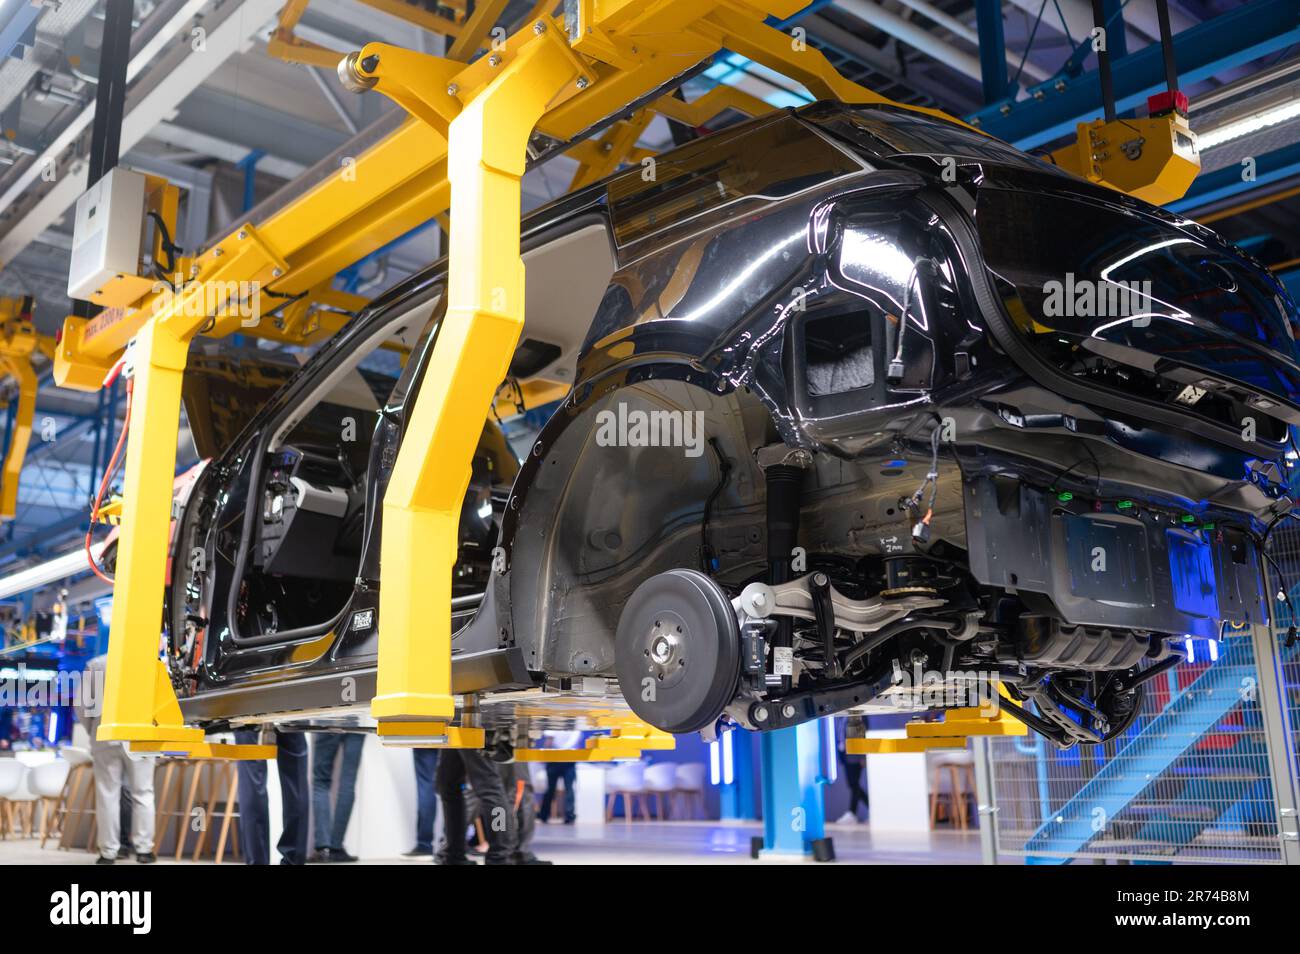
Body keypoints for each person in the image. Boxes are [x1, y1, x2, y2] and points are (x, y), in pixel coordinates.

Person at [75, 655, 155, 864]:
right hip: (141, 736)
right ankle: (144, 850)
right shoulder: (149, 662)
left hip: (105, 735)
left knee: (107, 794)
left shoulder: (95, 664)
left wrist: (93, 729)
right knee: (143, 792)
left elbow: (82, 705)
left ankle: (108, 852)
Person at [234, 728, 309, 865]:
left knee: (252, 775)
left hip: (247, 709)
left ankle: (257, 861)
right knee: (296, 773)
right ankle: (294, 860)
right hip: (292, 707)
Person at [435, 748, 516, 865]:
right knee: (448, 787)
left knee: (490, 788)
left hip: (474, 730)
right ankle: (454, 855)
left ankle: (500, 857)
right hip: (451, 730)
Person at [309, 732, 364, 862]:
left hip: (326, 719)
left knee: (321, 781)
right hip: (357, 720)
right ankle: (336, 848)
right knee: (348, 783)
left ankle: (322, 849)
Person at [538, 730, 582, 823]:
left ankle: (544, 815)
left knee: (551, 789)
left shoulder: (554, 722)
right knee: (567, 789)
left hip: (556, 758)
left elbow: (549, 741)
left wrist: (545, 756)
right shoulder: (574, 723)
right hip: (567, 758)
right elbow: (575, 742)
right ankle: (569, 816)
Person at [404, 748, 439, 857]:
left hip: (426, 733)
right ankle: (452, 844)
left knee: (426, 784)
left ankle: (424, 845)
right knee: (452, 786)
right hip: (452, 733)